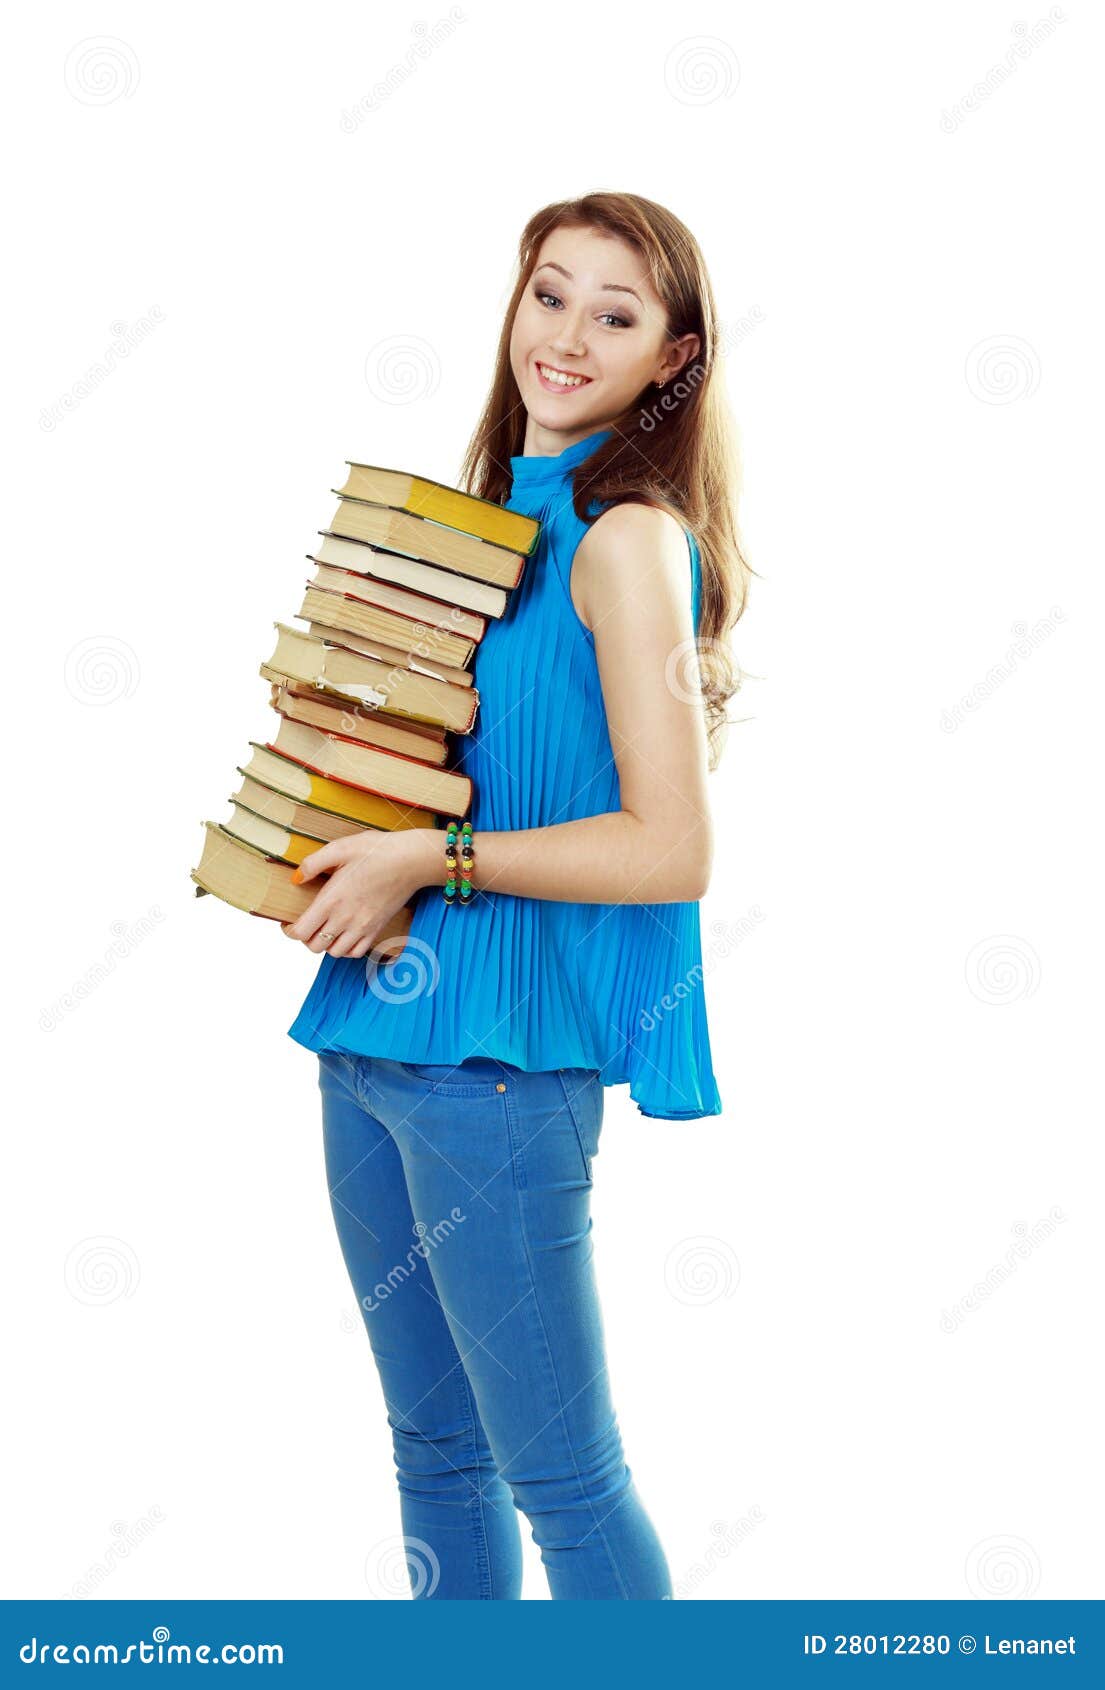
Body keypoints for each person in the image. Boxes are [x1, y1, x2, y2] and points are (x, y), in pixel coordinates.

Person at [280, 191, 751, 1599]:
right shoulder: (480, 522)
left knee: (562, 1479)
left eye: (615, 314)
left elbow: (674, 845)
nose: (566, 335)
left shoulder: (625, 541)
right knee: (433, 1454)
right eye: (549, 293)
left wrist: (432, 861)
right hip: (370, 1039)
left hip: (498, 1069)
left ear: (670, 357)